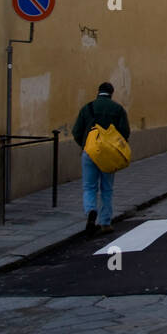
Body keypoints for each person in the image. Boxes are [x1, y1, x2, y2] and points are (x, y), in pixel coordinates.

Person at [72, 81, 131, 234]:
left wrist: (85, 144)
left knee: (89, 187)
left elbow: (76, 131)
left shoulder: (87, 108)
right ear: (111, 93)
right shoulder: (117, 109)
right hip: (108, 155)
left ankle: (91, 210)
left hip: (90, 152)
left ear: (98, 92)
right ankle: (105, 222)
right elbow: (125, 132)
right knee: (107, 188)